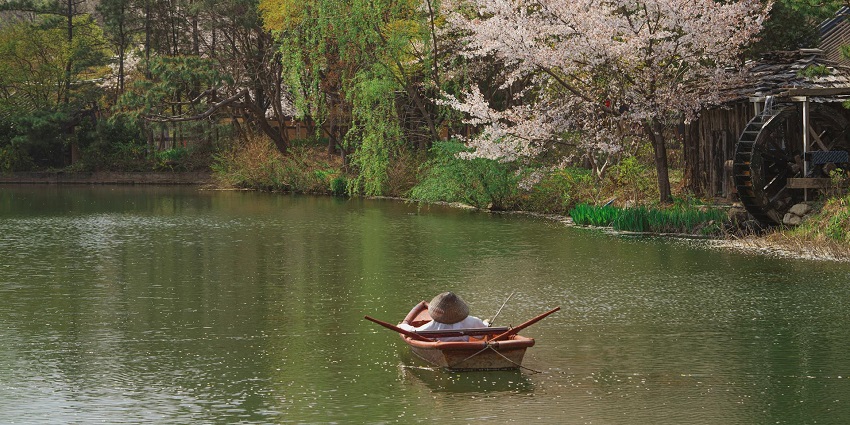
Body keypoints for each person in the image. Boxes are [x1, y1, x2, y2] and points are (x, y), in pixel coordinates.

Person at [398, 292, 489, 341]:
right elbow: (481, 335)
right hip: (465, 348)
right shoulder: (471, 320)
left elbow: (414, 332)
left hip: (443, 347)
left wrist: (402, 325)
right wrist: (486, 323)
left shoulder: (434, 325)